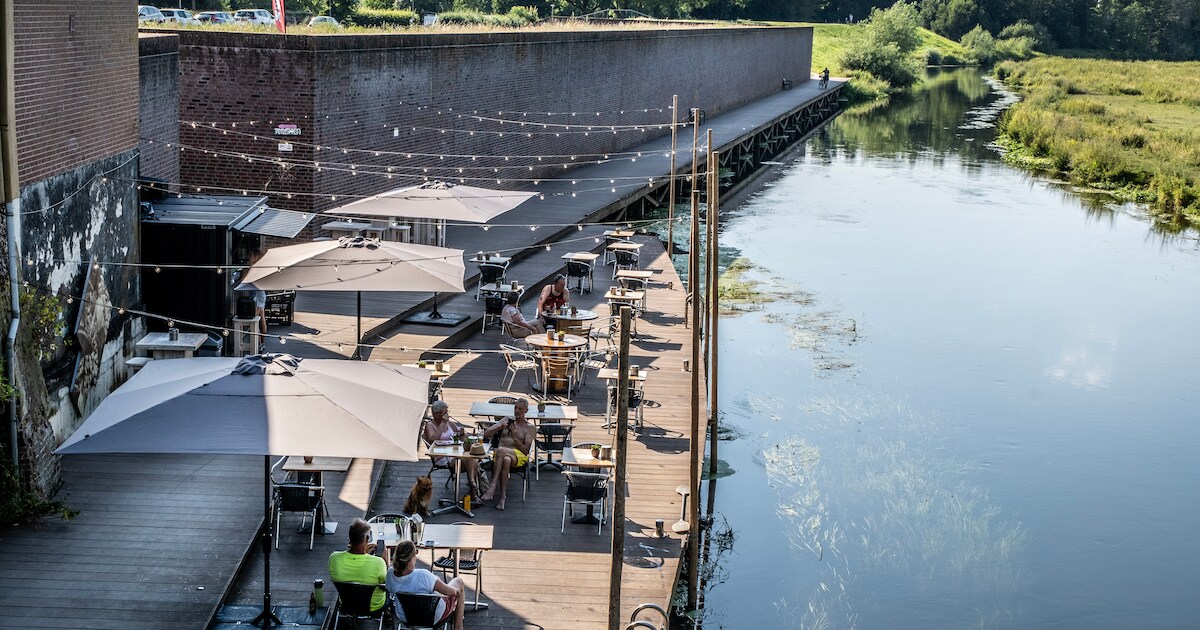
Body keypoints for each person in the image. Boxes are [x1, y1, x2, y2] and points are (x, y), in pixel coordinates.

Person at [387, 540, 465, 630]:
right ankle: (459, 628)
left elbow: (390, 589)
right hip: (433, 617)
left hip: (406, 617)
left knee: (434, 580)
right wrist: (457, 591)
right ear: (412, 557)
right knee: (459, 582)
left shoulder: (390, 573)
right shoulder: (423, 575)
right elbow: (450, 592)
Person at [479, 398, 535, 511]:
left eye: (520, 409)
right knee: (506, 460)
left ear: (526, 411)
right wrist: (499, 427)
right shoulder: (507, 420)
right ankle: (502, 498)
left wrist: (514, 437)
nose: (517, 411)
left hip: (518, 456)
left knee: (501, 451)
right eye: (515, 408)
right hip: (503, 457)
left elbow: (526, 451)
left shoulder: (529, 428)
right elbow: (486, 434)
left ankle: (492, 486)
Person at [423, 401, 483, 499]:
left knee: (473, 461)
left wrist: (462, 434)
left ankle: (472, 487)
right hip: (442, 457)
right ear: (435, 414)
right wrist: (442, 423)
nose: (447, 415)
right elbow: (433, 439)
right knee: (471, 460)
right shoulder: (430, 425)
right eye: (444, 413)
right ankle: (473, 487)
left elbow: (464, 439)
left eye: (447, 412)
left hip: (455, 454)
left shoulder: (449, 423)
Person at [328, 518, 388, 614]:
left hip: (347, 604)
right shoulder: (379, 562)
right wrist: (385, 560)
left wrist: (365, 554)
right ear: (367, 539)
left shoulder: (334, 558)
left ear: (350, 538)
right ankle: (387, 614)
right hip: (373, 607)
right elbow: (387, 584)